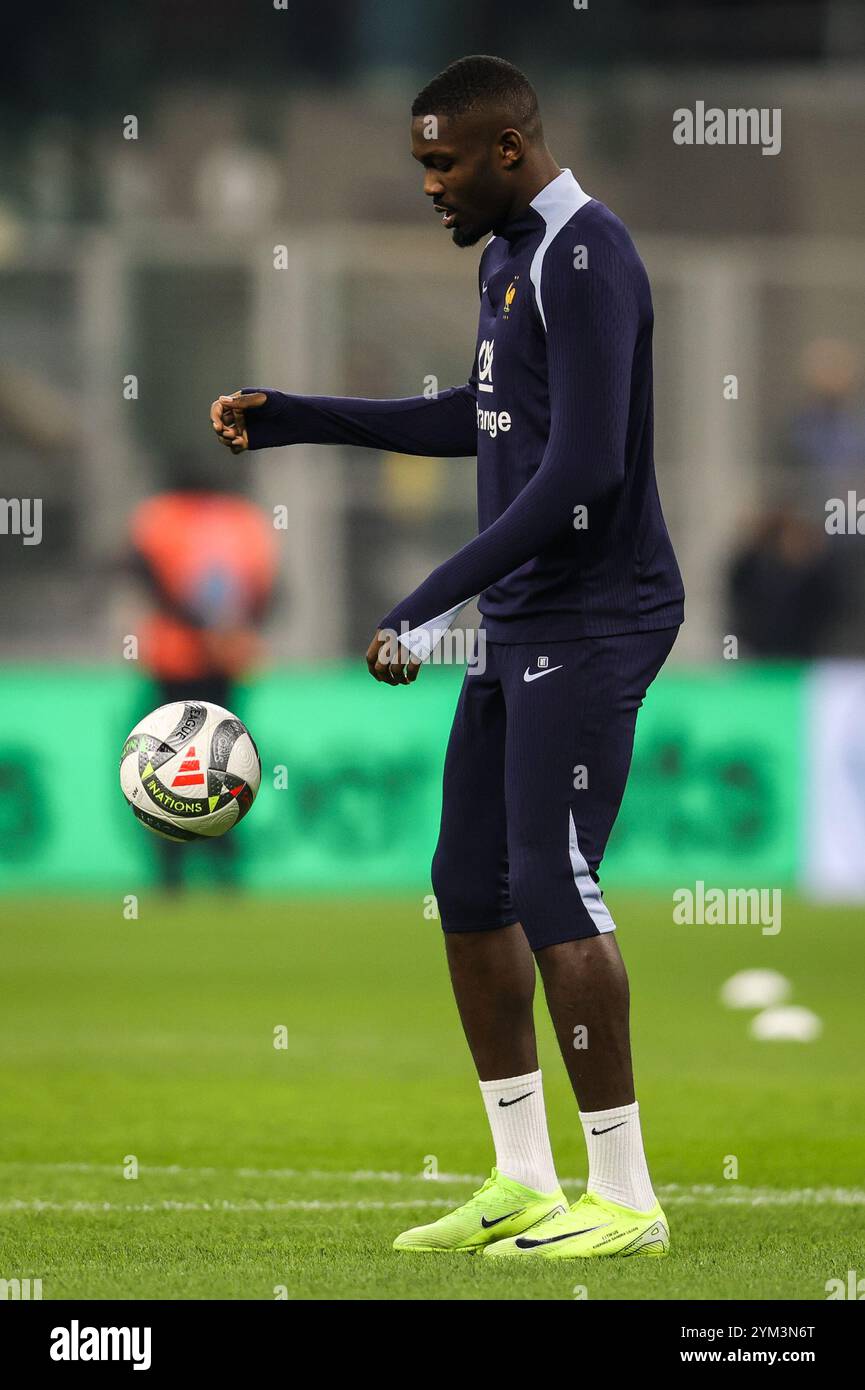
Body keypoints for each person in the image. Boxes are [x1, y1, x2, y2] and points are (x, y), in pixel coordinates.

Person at [210, 55, 684, 1261]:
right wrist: (305, 416)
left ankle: (624, 1195)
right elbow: (477, 417)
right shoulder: (504, 256)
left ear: (509, 151)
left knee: (551, 883)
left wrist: (424, 604)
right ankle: (524, 1177)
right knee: (468, 885)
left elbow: (585, 469)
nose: (429, 184)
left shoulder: (587, 255)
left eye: (441, 164)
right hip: (523, 609)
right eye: (422, 162)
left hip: (593, 613)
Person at [129, 465, 277, 889]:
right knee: (227, 762)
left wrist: (197, 626)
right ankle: (225, 864)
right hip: (228, 660)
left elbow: (142, 574)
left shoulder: (160, 516)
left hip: (173, 660)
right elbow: (269, 590)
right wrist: (235, 631)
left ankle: (169, 867)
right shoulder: (244, 520)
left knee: (159, 763)